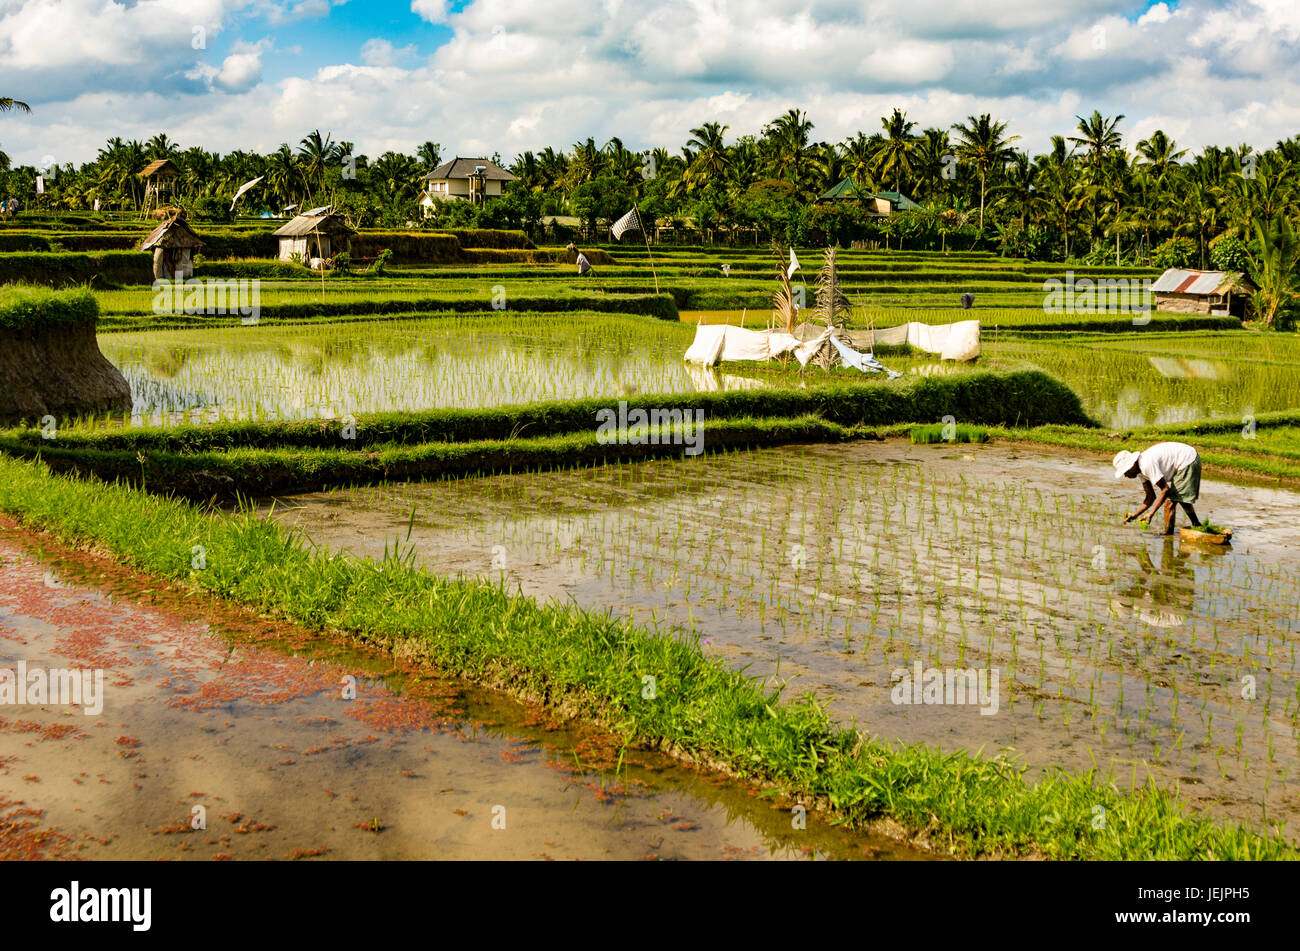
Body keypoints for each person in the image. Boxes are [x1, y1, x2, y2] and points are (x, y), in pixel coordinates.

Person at [1114, 442, 1202, 535]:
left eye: (1125, 471)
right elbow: (1150, 496)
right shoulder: (1140, 471)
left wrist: (1151, 513)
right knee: (1180, 498)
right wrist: (1136, 514)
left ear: (1132, 466)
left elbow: (1165, 489)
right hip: (1184, 459)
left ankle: (1168, 536)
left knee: (1169, 503)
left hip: (1187, 459)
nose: (1125, 475)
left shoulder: (1146, 465)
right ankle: (1197, 525)